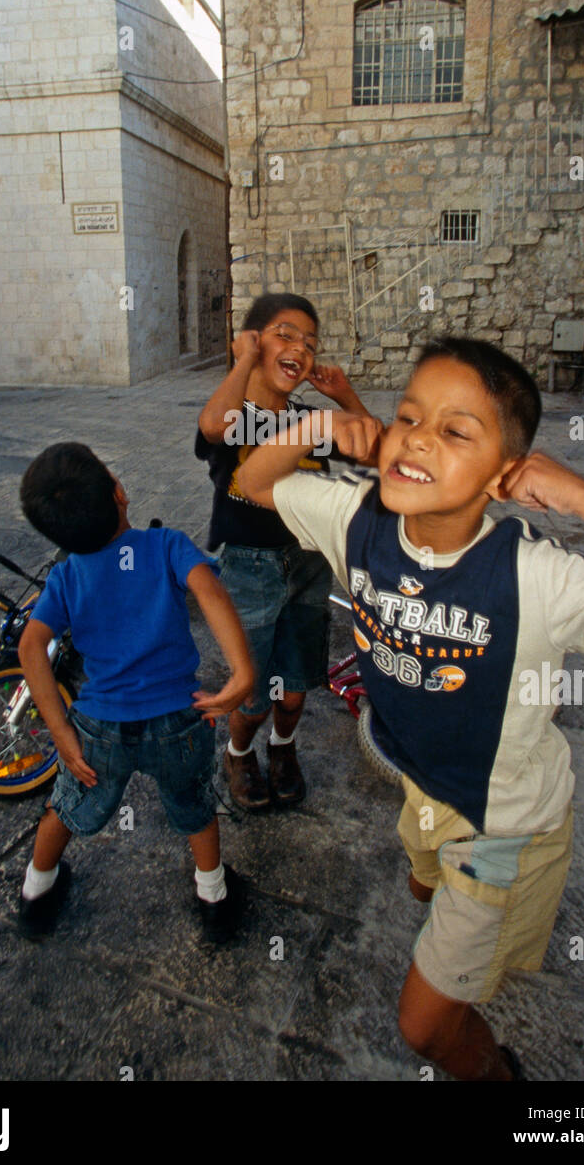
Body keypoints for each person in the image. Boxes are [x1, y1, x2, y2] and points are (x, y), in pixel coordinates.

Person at [236, 334, 584, 1080]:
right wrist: (316, 427)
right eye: (409, 417)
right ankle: (453, 925)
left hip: (503, 820)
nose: (415, 439)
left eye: (455, 432)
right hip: (418, 782)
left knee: (423, 1029)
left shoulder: (534, 576)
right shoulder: (360, 522)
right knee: (422, 886)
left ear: (507, 476)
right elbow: (253, 484)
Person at [14, 442, 255, 942]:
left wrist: (60, 729)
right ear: (120, 493)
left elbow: (31, 646)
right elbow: (208, 590)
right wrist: (241, 670)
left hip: (98, 730)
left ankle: (36, 894)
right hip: (180, 722)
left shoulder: (64, 577)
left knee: (67, 805)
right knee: (194, 804)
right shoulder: (165, 546)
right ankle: (213, 897)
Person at [196, 292, 375, 809]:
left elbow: (369, 445)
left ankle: (284, 747)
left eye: (311, 342)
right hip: (249, 570)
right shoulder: (236, 417)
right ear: (253, 341)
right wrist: (244, 361)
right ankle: (238, 751)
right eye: (286, 334)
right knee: (251, 696)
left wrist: (346, 398)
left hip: (309, 563)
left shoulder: (309, 421)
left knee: (294, 690)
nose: (302, 347)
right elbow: (212, 425)